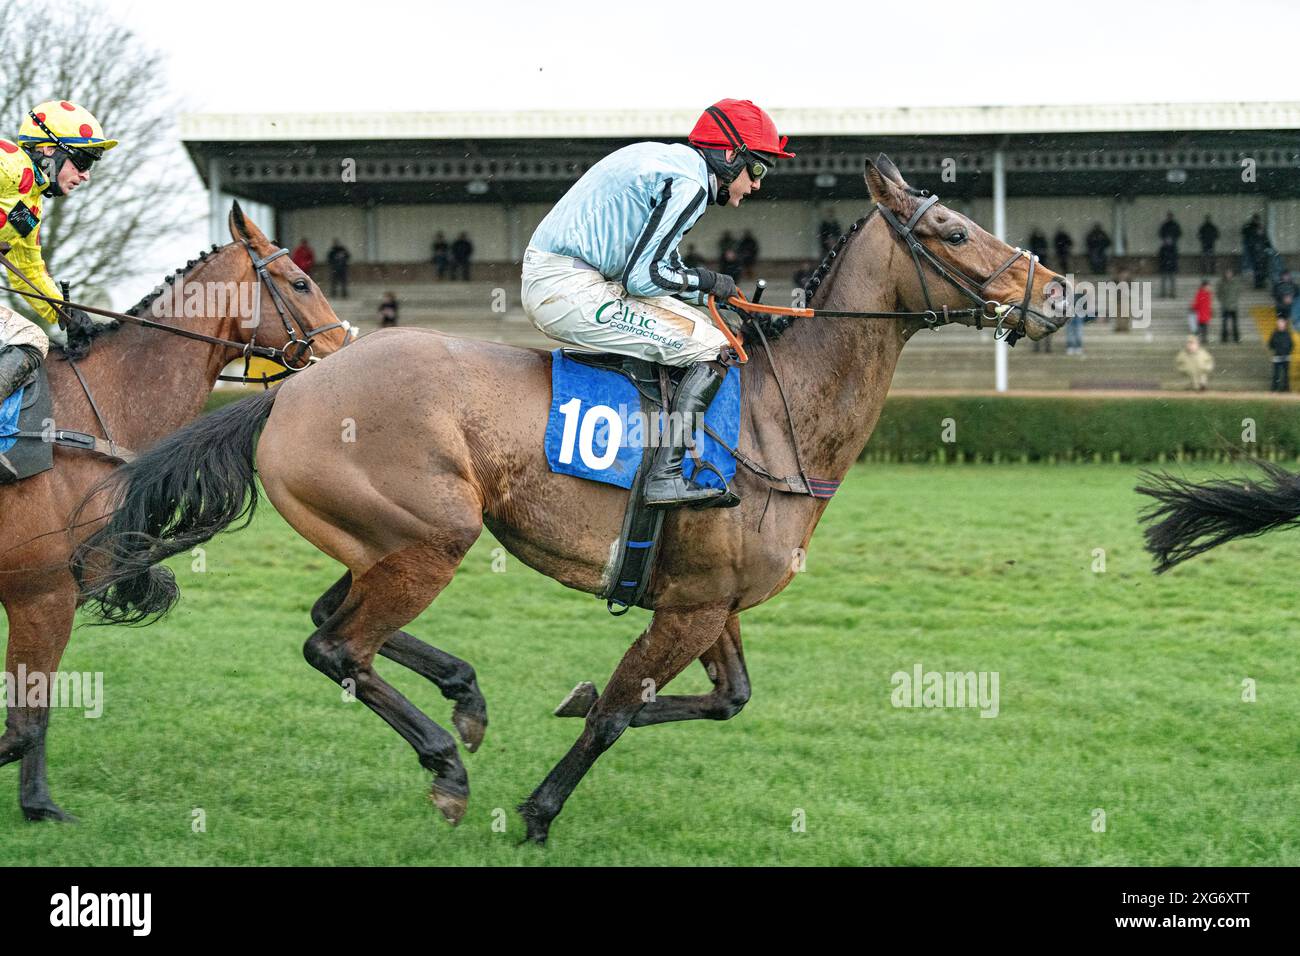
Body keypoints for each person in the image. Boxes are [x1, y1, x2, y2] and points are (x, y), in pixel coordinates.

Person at [521, 98, 792, 509]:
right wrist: (708, 280)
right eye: (756, 169)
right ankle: (665, 476)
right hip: (567, 285)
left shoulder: (675, 164)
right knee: (712, 347)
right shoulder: (692, 184)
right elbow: (643, 278)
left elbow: (654, 267)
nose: (757, 184)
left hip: (569, 275)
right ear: (729, 154)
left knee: (714, 331)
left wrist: (724, 298)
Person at [0, 100, 116, 403]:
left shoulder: (32, 207)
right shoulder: (10, 163)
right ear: (50, 150)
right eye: (83, 161)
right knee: (30, 338)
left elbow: (29, 271)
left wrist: (66, 313)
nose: (86, 175)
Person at [1242, 214, 1267, 289]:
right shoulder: (1251, 228)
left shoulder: (1256, 227)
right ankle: (1258, 284)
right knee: (1257, 269)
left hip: (1259, 252)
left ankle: (1260, 284)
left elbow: (1265, 239)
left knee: (1260, 269)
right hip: (1255, 252)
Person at [1269, 317, 1293, 392]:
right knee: (1276, 374)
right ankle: (1274, 388)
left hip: (1286, 357)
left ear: (1284, 324)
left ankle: (1286, 389)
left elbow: (1291, 344)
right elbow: (1271, 344)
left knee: (1286, 374)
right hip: (1277, 356)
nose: (1280, 325)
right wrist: (1277, 350)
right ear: (1277, 324)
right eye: (1279, 323)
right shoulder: (1274, 334)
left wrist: (1287, 351)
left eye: (1282, 323)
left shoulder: (1288, 334)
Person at [1218, 267, 1241, 343]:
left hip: (1234, 307)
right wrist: (1222, 301)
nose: (1229, 275)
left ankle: (1236, 338)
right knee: (1224, 324)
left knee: (1235, 324)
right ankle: (1224, 339)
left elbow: (1238, 292)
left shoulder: (1236, 283)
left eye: (1230, 273)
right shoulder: (1222, 283)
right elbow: (1219, 293)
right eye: (1227, 273)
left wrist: (1234, 300)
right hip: (1225, 306)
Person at [1191, 279, 1212, 344]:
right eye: (1208, 286)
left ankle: (1204, 339)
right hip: (1200, 314)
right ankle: (1199, 339)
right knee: (1200, 328)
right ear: (1204, 286)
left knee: (1205, 328)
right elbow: (1196, 302)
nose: (1209, 287)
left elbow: (1209, 304)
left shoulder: (1208, 294)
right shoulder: (1200, 293)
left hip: (1205, 313)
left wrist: (1210, 312)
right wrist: (1193, 308)